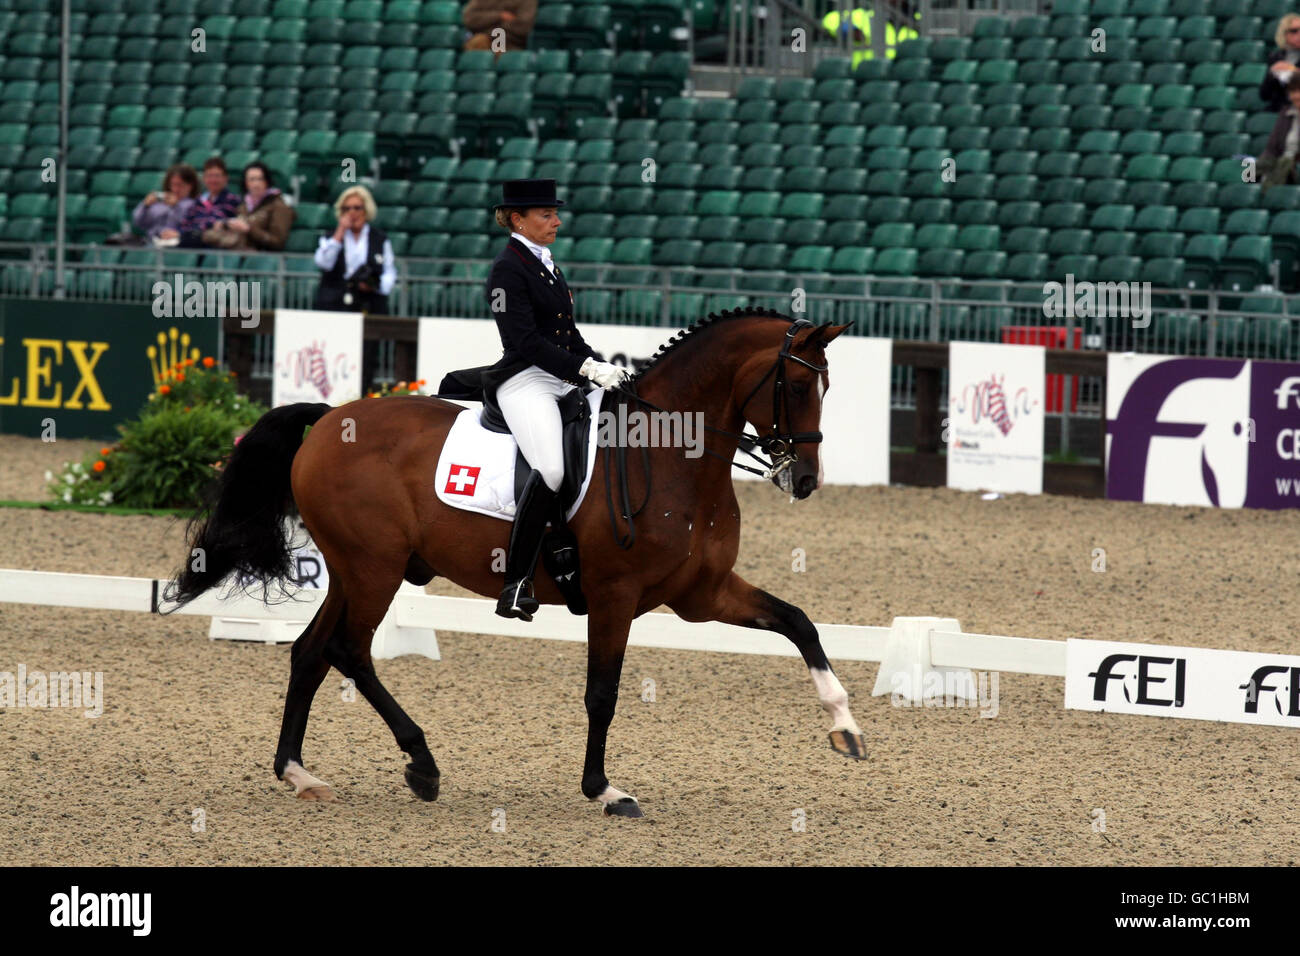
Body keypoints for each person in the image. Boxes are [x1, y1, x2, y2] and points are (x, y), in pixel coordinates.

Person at [482, 178, 628, 620]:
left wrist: (602, 366)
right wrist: (583, 369)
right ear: (517, 219)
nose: (557, 221)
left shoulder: (547, 264)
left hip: (562, 376)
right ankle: (517, 581)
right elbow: (523, 340)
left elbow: (568, 334)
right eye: (546, 215)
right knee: (550, 467)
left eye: (554, 213)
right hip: (526, 380)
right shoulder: (508, 269)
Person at [313, 185, 397, 314]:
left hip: (369, 303)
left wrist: (375, 286)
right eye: (347, 209)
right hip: (335, 304)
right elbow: (324, 263)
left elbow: (389, 272)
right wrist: (339, 232)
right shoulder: (330, 237)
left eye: (357, 208)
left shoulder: (380, 238)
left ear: (366, 210)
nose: (352, 213)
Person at [202, 161, 295, 251]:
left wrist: (249, 229)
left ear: (267, 181)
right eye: (252, 179)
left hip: (259, 255)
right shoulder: (243, 206)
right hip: (237, 250)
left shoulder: (279, 206)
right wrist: (226, 225)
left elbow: (277, 243)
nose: (256, 184)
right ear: (246, 183)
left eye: (260, 179)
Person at [161, 157, 242, 248]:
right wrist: (176, 233)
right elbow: (186, 222)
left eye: (217, 176)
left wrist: (181, 234)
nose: (213, 180)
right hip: (189, 241)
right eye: (209, 176)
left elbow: (212, 224)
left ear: (225, 178)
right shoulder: (199, 200)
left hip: (211, 245)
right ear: (204, 178)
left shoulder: (232, 200)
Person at [132, 163, 198, 243]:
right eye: (173, 184)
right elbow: (139, 223)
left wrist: (176, 207)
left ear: (190, 186)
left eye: (180, 185)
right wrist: (145, 206)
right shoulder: (159, 201)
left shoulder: (195, 204)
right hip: (152, 243)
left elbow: (190, 228)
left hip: (179, 245)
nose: (176, 189)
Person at [1261, 73, 1300, 189]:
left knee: (1283, 169)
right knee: (1248, 173)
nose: (1296, 96)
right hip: (1281, 164)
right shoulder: (1285, 114)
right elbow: (1271, 149)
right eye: (1293, 91)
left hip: (1293, 166)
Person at [462, 0, 537, 52]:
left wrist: (488, 25)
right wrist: (499, 16)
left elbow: (523, 27)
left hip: (509, 43)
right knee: (478, 41)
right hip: (484, 38)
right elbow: (469, 19)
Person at [1262, 13, 1300, 112]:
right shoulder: (1276, 57)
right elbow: (1264, 95)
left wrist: (1294, 72)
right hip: (1280, 109)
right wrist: (1271, 75)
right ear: (1284, 34)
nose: (1299, 34)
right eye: (1294, 31)